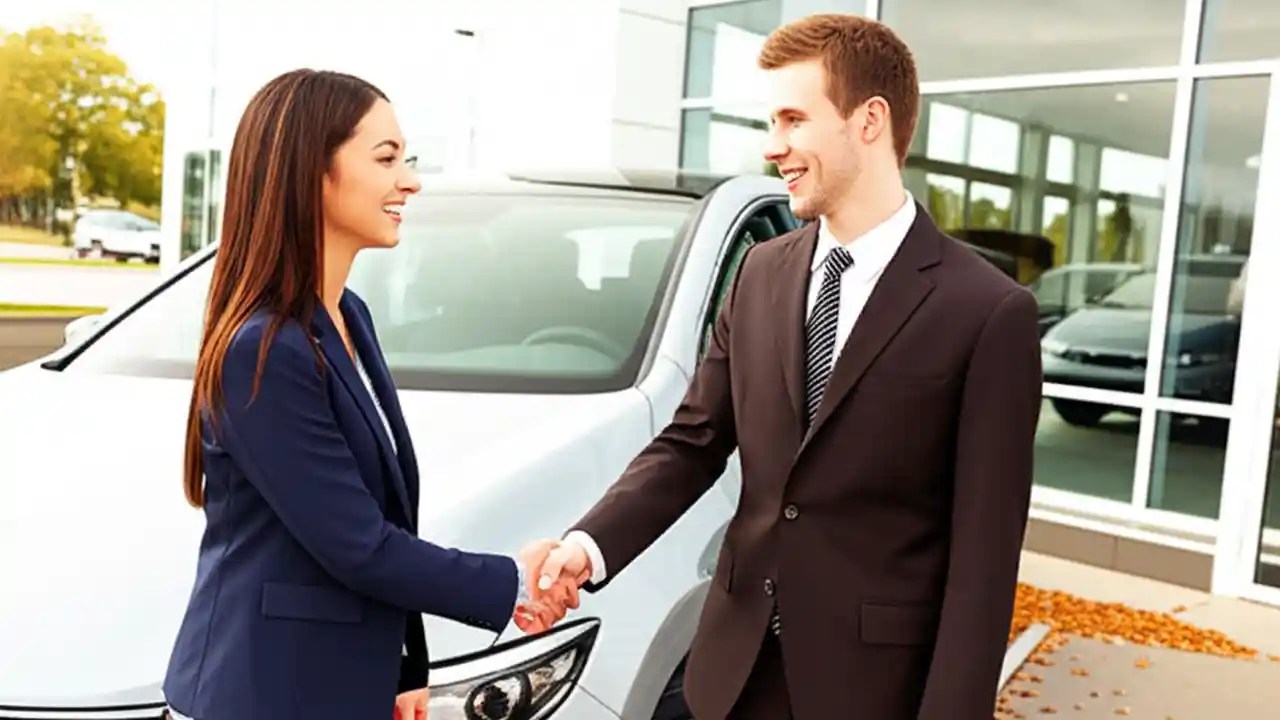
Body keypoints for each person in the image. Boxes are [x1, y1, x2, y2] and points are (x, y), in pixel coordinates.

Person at [521, 13, 1042, 720]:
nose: (775, 148)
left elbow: (983, 562)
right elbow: (693, 442)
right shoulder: (761, 273)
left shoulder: (987, 312)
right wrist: (589, 546)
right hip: (730, 675)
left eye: (794, 120)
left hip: (873, 691)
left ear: (869, 120)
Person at [161, 69, 575, 720]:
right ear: (310, 172)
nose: (409, 180)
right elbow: (359, 546)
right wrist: (514, 580)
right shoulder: (262, 350)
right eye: (386, 158)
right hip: (262, 696)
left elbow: (374, 529)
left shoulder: (348, 317)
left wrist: (398, 676)